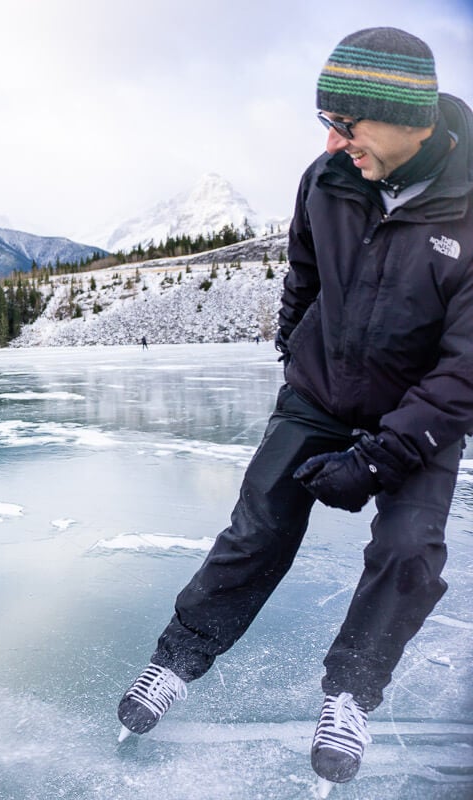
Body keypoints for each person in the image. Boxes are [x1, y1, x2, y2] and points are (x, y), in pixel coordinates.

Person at [117, 27, 473, 793]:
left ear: (408, 119)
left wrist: (378, 458)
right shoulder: (328, 179)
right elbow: (303, 269)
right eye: (326, 123)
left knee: (409, 552)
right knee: (258, 525)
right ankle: (175, 662)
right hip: (319, 391)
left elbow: (465, 369)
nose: (333, 141)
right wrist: (293, 342)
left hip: (419, 414)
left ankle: (351, 696)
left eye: (347, 124)